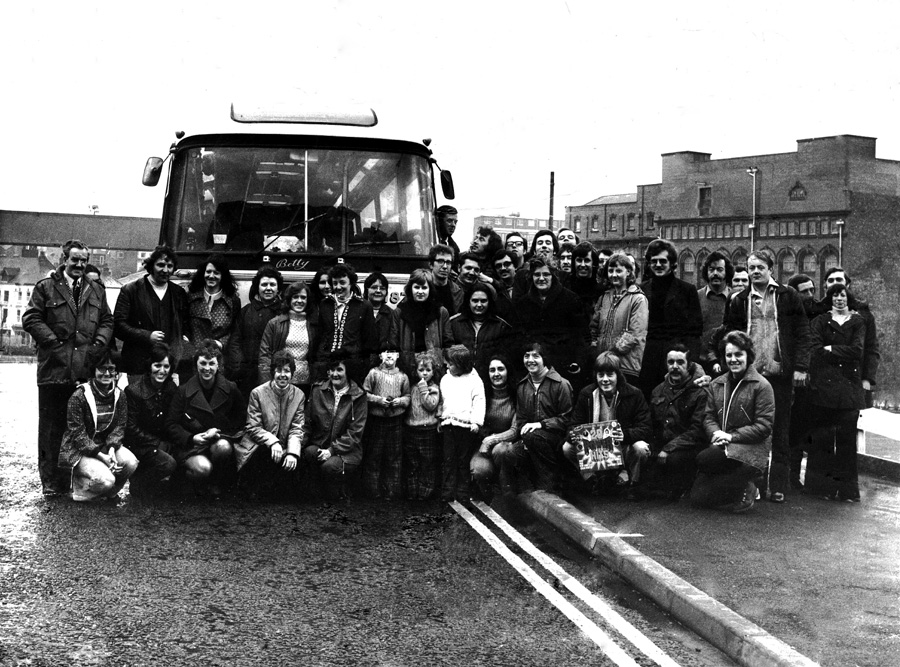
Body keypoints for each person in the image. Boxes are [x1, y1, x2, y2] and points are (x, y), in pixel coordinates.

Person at [23, 239, 115, 497]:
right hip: (54, 370)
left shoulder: (96, 289)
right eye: (74, 260)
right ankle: (50, 482)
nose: (79, 265)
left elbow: (107, 320)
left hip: (84, 371)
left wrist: (98, 344)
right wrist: (52, 342)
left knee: (78, 428)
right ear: (64, 259)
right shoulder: (46, 287)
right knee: (51, 429)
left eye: (84, 261)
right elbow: (31, 317)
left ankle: (72, 478)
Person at [722, 250, 811, 504]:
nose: (755, 272)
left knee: (780, 430)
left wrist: (801, 367)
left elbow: (804, 333)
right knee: (752, 430)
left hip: (779, 375)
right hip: (749, 375)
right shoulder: (739, 300)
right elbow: (729, 334)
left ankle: (779, 486)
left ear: (771, 269)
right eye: (751, 268)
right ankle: (756, 484)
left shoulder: (787, 296)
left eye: (761, 267)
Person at [691, 331, 775, 513]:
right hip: (723, 447)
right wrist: (715, 434)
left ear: (748, 356)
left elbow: (764, 426)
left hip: (749, 450)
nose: (733, 359)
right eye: (729, 355)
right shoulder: (717, 384)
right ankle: (733, 484)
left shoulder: (762, 386)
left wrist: (731, 436)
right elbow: (709, 416)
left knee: (705, 458)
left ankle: (748, 483)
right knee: (698, 499)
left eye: (738, 354)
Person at [805, 284, 866, 501]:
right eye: (834, 295)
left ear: (848, 298)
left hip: (849, 389)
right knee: (822, 439)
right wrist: (841, 353)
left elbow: (858, 351)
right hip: (823, 388)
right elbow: (815, 351)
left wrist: (831, 349)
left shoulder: (858, 322)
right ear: (829, 299)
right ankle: (821, 489)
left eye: (842, 295)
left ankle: (847, 491)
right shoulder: (821, 321)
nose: (839, 299)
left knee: (847, 441)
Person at [562, 352, 652, 497]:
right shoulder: (587, 394)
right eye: (600, 374)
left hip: (622, 446)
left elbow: (646, 428)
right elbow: (573, 424)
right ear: (595, 376)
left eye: (610, 374)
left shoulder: (634, 394)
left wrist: (625, 434)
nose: (605, 379)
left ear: (618, 375)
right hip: (596, 449)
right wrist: (574, 434)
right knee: (567, 448)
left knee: (641, 448)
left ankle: (632, 483)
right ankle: (593, 479)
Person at [166, 340, 246, 495]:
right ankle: (187, 484)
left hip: (217, 442)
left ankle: (216, 482)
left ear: (218, 366)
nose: (207, 368)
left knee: (223, 447)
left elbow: (241, 419)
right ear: (196, 364)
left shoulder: (231, 388)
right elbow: (171, 424)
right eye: (203, 363)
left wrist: (218, 431)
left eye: (211, 363)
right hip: (192, 447)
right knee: (202, 468)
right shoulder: (183, 391)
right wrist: (191, 437)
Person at [59, 349, 137, 502]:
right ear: (93, 370)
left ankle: (109, 494)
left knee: (130, 462)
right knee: (106, 480)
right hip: (79, 450)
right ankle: (80, 490)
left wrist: (113, 448)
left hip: (104, 446)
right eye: (102, 369)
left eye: (111, 369)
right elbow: (77, 434)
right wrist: (102, 456)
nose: (107, 373)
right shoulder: (79, 396)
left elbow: (120, 426)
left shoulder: (119, 395)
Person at [235, 350, 305, 500]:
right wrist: (272, 442)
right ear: (273, 372)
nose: (282, 375)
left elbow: (297, 427)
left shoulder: (299, 395)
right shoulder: (257, 393)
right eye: (278, 371)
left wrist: (292, 452)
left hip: (285, 446)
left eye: (287, 371)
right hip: (259, 447)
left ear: (292, 373)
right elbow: (253, 427)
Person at [510, 257, 588, 392]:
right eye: (537, 274)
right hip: (533, 366)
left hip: (563, 365)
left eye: (546, 274)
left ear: (553, 276)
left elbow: (580, 334)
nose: (541, 278)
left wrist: (578, 362)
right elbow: (518, 335)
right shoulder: (523, 303)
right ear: (531, 277)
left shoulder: (570, 299)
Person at [641, 344, 708, 500]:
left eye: (680, 362)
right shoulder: (658, 390)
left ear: (689, 365)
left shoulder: (700, 392)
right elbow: (651, 423)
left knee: (674, 462)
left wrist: (669, 449)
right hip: (662, 445)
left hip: (686, 447)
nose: (675, 367)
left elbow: (696, 430)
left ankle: (682, 486)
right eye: (671, 362)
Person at [638, 239, 703, 399]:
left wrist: (690, 363)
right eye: (654, 261)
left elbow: (694, 331)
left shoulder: (687, 290)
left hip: (675, 359)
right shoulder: (641, 290)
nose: (658, 265)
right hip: (647, 359)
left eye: (663, 261)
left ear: (672, 263)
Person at [114, 245, 189, 376]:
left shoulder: (179, 293)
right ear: (151, 266)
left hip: (167, 365)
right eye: (160, 265)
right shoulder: (131, 290)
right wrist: (146, 335)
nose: (165, 270)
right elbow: (118, 326)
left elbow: (184, 325)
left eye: (169, 266)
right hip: (137, 362)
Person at [509, 341, 574, 493]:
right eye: (526, 356)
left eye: (535, 356)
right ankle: (523, 495)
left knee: (534, 438)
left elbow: (567, 419)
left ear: (544, 359)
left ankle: (549, 486)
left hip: (556, 437)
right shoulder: (522, 386)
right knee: (511, 451)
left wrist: (542, 425)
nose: (530, 360)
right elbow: (521, 420)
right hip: (532, 437)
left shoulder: (561, 384)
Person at [302, 357, 367, 500]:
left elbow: (354, 433)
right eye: (332, 370)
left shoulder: (358, 396)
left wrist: (331, 451)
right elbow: (307, 422)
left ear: (347, 372)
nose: (334, 374)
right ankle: (316, 494)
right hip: (321, 444)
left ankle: (342, 491)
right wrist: (295, 447)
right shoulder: (318, 390)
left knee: (330, 466)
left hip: (347, 451)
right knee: (308, 452)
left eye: (339, 370)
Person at [124, 343, 179, 497]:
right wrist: (156, 443)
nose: (162, 371)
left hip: (162, 441)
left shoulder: (171, 388)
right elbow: (131, 428)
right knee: (168, 463)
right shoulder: (134, 391)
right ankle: (139, 484)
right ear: (149, 366)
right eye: (157, 365)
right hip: (140, 444)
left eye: (166, 366)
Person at [589, 253, 648, 387]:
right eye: (611, 271)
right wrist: (595, 348)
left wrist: (610, 354)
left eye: (618, 270)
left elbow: (634, 334)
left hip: (625, 367)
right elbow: (594, 326)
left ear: (628, 272)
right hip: (603, 364)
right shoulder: (604, 298)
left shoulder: (638, 298)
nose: (614, 274)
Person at [313, 262, 376, 385]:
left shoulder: (363, 306)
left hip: (353, 365)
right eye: (335, 283)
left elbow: (369, 340)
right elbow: (320, 335)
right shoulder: (325, 304)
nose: (338, 287)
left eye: (342, 282)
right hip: (326, 364)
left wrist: (364, 365)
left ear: (351, 283)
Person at [362, 348, 411, 500]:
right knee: (374, 456)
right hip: (377, 421)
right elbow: (364, 393)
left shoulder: (403, 377)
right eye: (385, 352)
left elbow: (408, 396)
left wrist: (400, 401)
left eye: (393, 352)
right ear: (379, 356)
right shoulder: (373, 373)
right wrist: (378, 400)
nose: (389, 355)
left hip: (396, 421)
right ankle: (373, 491)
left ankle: (392, 491)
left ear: (398, 356)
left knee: (394, 457)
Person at [439, 345, 486, 501]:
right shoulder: (446, 379)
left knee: (462, 460)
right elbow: (443, 400)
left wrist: (476, 422)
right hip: (448, 425)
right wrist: (441, 418)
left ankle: (462, 491)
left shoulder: (474, 380)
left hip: (465, 427)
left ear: (462, 364)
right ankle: (447, 491)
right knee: (448, 459)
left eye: (451, 364)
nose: (447, 366)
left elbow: (479, 401)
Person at [227, 266, 283, 396]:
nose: (268, 288)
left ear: (278, 288)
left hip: (275, 371)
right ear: (257, 287)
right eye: (264, 284)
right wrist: (241, 366)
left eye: (272, 285)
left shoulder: (283, 312)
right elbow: (235, 340)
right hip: (248, 373)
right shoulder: (246, 311)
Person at [389, 268, 453, 380]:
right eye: (416, 287)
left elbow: (448, 342)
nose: (420, 291)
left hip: (434, 369)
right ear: (410, 289)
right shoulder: (399, 312)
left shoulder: (441, 311)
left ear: (430, 289)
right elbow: (394, 343)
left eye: (424, 287)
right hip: (407, 369)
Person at [470, 354, 519, 498]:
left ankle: (508, 493)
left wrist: (490, 440)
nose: (496, 374)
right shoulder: (482, 393)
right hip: (484, 446)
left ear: (507, 371)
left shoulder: (516, 395)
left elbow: (515, 430)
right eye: (492, 370)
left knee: (501, 450)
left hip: (507, 445)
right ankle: (488, 496)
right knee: (479, 470)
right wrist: (485, 438)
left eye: (500, 369)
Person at [258, 281, 318, 395]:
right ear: (289, 299)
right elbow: (264, 355)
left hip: (305, 383)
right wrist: (266, 384)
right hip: (280, 380)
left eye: (303, 297)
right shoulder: (275, 323)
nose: (299, 301)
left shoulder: (313, 325)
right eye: (295, 297)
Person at [185, 255, 242, 369]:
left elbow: (234, 329)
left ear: (222, 276)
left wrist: (220, 343)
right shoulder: (190, 297)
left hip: (219, 359)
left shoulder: (232, 300)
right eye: (208, 272)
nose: (211, 276)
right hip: (193, 358)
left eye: (216, 273)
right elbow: (184, 324)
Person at [448, 283, 513, 380]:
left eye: (483, 301)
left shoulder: (501, 326)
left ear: (489, 302)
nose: (479, 305)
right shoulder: (454, 323)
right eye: (475, 301)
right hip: (459, 378)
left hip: (489, 379)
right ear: (468, 302)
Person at [403, 351, 443, 501]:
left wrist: (424, 389)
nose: (424, 373)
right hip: (411, 430)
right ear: (415, 371)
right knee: (412, 463)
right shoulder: (413, 387)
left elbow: (431, 405)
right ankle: (413, 492)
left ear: (433, 372)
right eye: (421, 370)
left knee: (427, 462)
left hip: (428, 430)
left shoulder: (434, 388)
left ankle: (425, 493)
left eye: (428, 370)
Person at [697, 251, 733, 374]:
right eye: (711, 269)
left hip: (728, 364)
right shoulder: (696, 297)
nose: (715, 273)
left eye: (719, 269)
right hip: (701, 364)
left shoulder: (735, 299)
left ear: (726, 272)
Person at [512, 230, 558, 299]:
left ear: (554, 250)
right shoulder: (521, 275)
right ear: (534, 250)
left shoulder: (562, 274)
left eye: (548, 243)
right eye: (540, 243)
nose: (544, 246)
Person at [364, 271, 393, 366]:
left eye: (382, 288)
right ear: (366, 290)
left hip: (383, 364)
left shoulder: (391, 314)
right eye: (374, 287)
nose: (378, 291)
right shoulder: (359, 311)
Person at [567, 242, 604, 315]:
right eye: (579, 260)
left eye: (587, 260)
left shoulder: (601, 290)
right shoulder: (566, 286)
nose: (583, 265)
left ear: (593, 263)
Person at [428, 243, 464, 316]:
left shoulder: (458, 292)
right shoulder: (421, 288)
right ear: (431, 265)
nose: (445, 266)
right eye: (440, 261)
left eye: (448, 262)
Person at [490, 249, 517, 319]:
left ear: (515, 266)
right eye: (498, 266)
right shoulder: (495, 291)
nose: (503, 268)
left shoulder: (525, 284)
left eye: (507, 264)